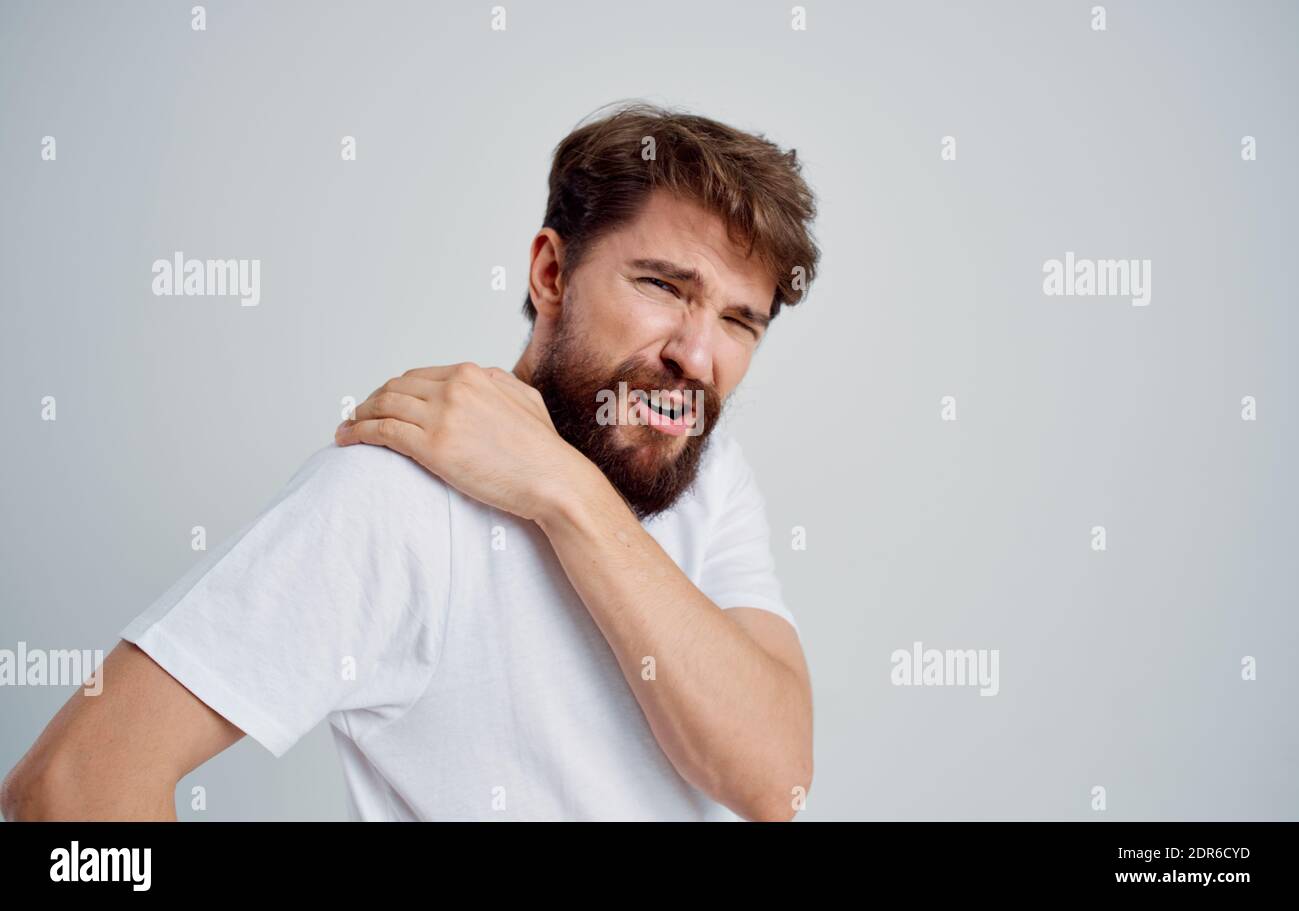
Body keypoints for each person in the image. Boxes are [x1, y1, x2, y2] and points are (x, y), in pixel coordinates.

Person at [1, 101, 821, 822]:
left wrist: (565, 490)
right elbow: (70, 789)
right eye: (664, 287)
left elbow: (774, 782)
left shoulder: (705, 474)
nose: (697, 355)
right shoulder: (397, 497)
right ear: (550, 273)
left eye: (740, 322)